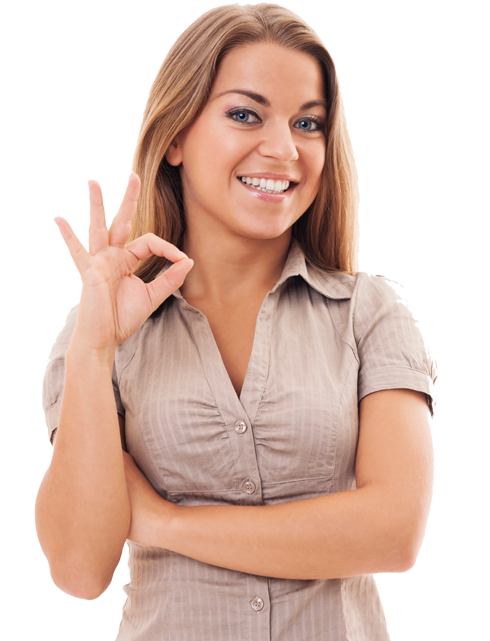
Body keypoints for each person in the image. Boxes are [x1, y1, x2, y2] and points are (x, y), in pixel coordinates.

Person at [35, 3, 438, 640]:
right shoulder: (98, 333)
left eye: (308, 123)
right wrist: (93, 351)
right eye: (245, 114)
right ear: (175, 137)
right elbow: (80, 570)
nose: (284, 149)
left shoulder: (371, 314)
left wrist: (163, 521)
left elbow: (393, 533)